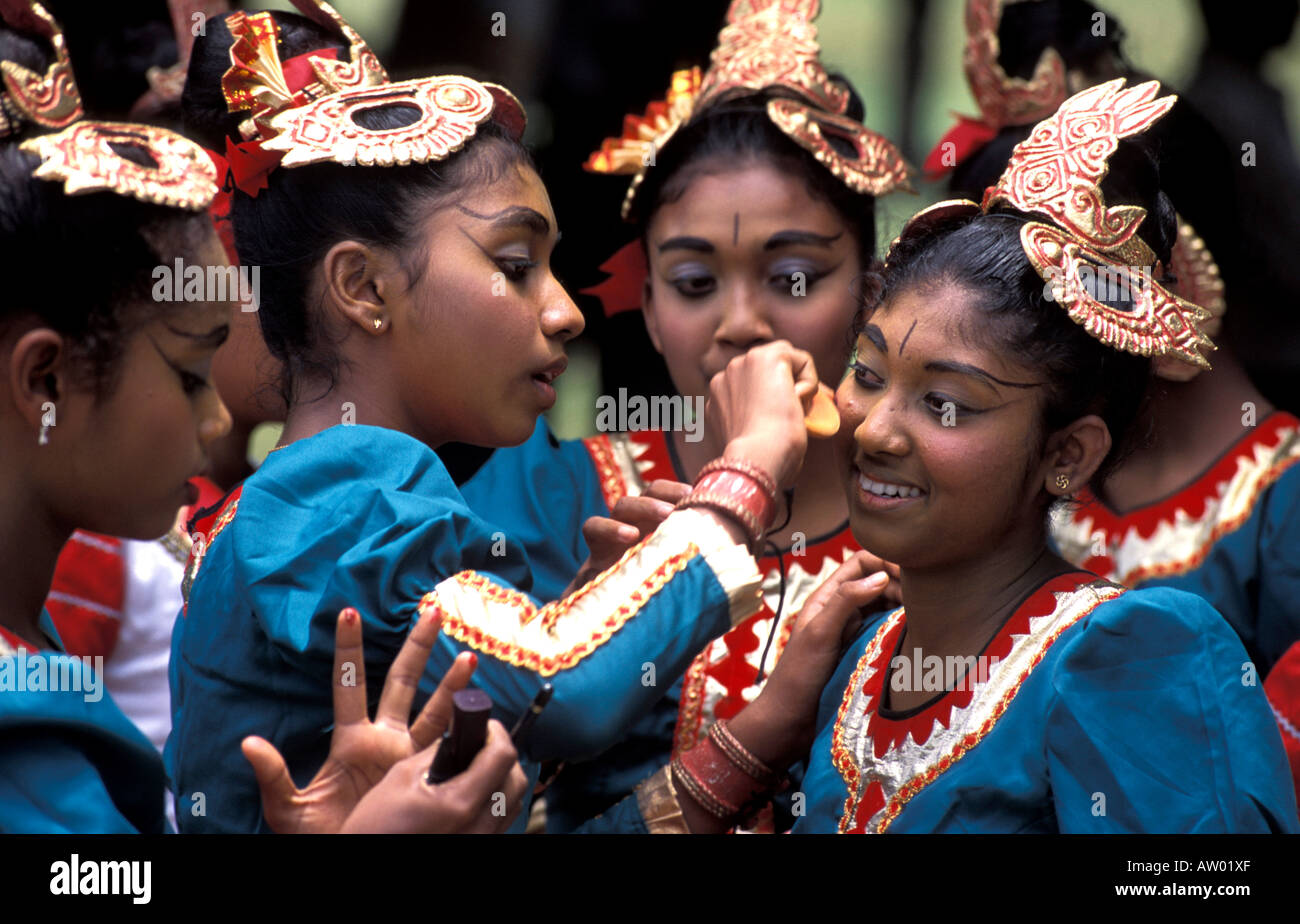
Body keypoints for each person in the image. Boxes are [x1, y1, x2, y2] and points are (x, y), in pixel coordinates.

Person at [169, 0, 822, 833]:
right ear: (365, 288)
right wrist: (749, 469)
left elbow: (520, 714)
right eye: (514, 266)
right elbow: (563, 686)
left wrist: (583, 604)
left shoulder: (325, 502)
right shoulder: (341, 495)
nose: (566, 314)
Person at [580, 79, 1298, 834]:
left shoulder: (1132, 653)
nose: (876, 430)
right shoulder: (854, 663)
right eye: (865, 374)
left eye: (945, 404)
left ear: (1069, 454)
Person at [0, 0, 524, 834]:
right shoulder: (27, 710)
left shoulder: (44, 648)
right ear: (46, 377)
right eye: (185, 370)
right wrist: (730, 505)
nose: (211, 419)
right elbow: (560, 689)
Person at [545, 0, 909, 832]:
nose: (739, 323)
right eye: (695, 283)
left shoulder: (943, 509)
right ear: (644, 302)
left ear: (871, 291)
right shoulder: (559, 494)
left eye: (791, 278)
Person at [929, 0, 1300, 679]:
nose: (1011, 337)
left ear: (1173, 281)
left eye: (1046, 293)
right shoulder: (1040, 476)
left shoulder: (1284, 507)